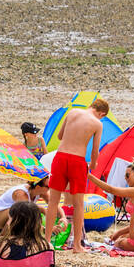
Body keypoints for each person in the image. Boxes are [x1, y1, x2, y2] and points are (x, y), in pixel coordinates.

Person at [45, 98, 108, 253]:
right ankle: (77, 245)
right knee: (79, 204)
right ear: (101, 113)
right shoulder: (97, 123)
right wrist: (93, 164)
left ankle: (46, 241)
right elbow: (95, 150)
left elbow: (60, 136)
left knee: (53, 201)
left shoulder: (73, 112)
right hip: (77, 161)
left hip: (60, 157)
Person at [87, 163, 134, 252]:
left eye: (127, 175)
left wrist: (89, 176)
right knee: (122, 236)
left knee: (118, 242)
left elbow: (111, 190)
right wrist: (119, 232)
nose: (125, 178)